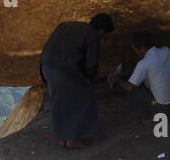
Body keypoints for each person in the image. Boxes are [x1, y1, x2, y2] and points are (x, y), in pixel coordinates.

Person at [39, 13, 114, 148]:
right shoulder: (92, 35)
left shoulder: (65, 25)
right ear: (102, 30)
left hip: (47, 66)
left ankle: (62, 138)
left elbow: (50, 45)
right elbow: (92, 63)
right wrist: (89, 80)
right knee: (82, 100)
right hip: (65, 71)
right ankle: (74, 139)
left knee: (59, 101)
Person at [112, 31, 170, 111]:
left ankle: (145, 113)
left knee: (135, 89)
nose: (135, 52)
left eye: (135, 49)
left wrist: (118, 80)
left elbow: (129, 87)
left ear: (143, 48)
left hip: (164, 109)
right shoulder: (167, 50)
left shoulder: (143, 63)